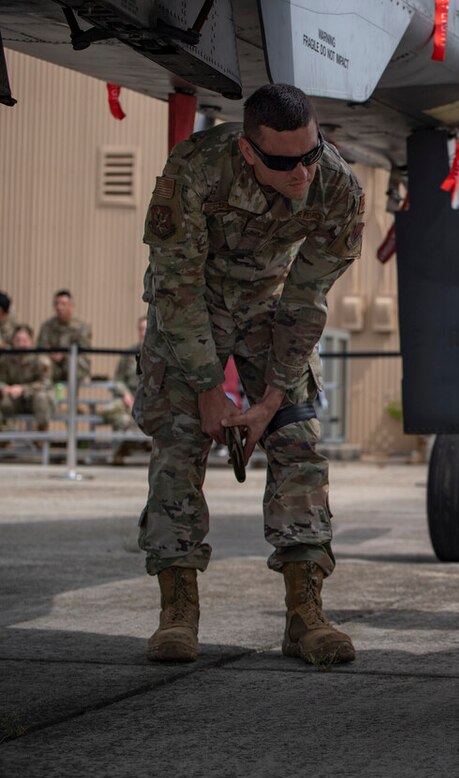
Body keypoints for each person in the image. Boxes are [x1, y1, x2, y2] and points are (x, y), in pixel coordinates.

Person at [135, 83, 365, 666]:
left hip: (271, 309)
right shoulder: (195, 171)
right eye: (283, 163)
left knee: (298, 444)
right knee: (179, 445)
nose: (302, 174)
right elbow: (176, 288)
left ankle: (304, 613)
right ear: (247, 151)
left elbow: (308, 297)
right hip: (194, 308)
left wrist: (273, 399)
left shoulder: (337, 186)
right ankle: (177, 613)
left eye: (309, 155)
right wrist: (210, 390)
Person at [105, 315, 146, 464]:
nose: (143, 333)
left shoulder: (159, 354)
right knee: (112, 411)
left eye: (146, 329)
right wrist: (125, 394)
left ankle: (132, 443)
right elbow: (117, 380)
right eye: (141, 329)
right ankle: (120, 451)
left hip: (150, 399)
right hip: (130, 398)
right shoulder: (129, 354)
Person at [0, 325, 53, 431]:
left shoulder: (40, 359)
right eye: (17, 340)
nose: (21, 344)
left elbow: (46, 383)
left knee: (41, 398)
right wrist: (4, 387)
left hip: (34, 398)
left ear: (31, 342)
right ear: (13, 342)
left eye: (25, 340)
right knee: (3, 401)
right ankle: (4, 433)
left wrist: (23, 389)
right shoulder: (6, 359)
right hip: (14, 399)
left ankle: (42, 433)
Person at [37, 290, 92, 385]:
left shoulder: (82, 327)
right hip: (53, 364)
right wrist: (52, 355)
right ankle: (47, 395)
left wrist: (64, 356)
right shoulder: (47, 326)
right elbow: (41, 348)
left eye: (63, 304)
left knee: (75, 363)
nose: (59, 307)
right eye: (57, 304)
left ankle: (72, 397)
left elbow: (84, 351)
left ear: (71, 306)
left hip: (73, 364)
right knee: (43, 362)